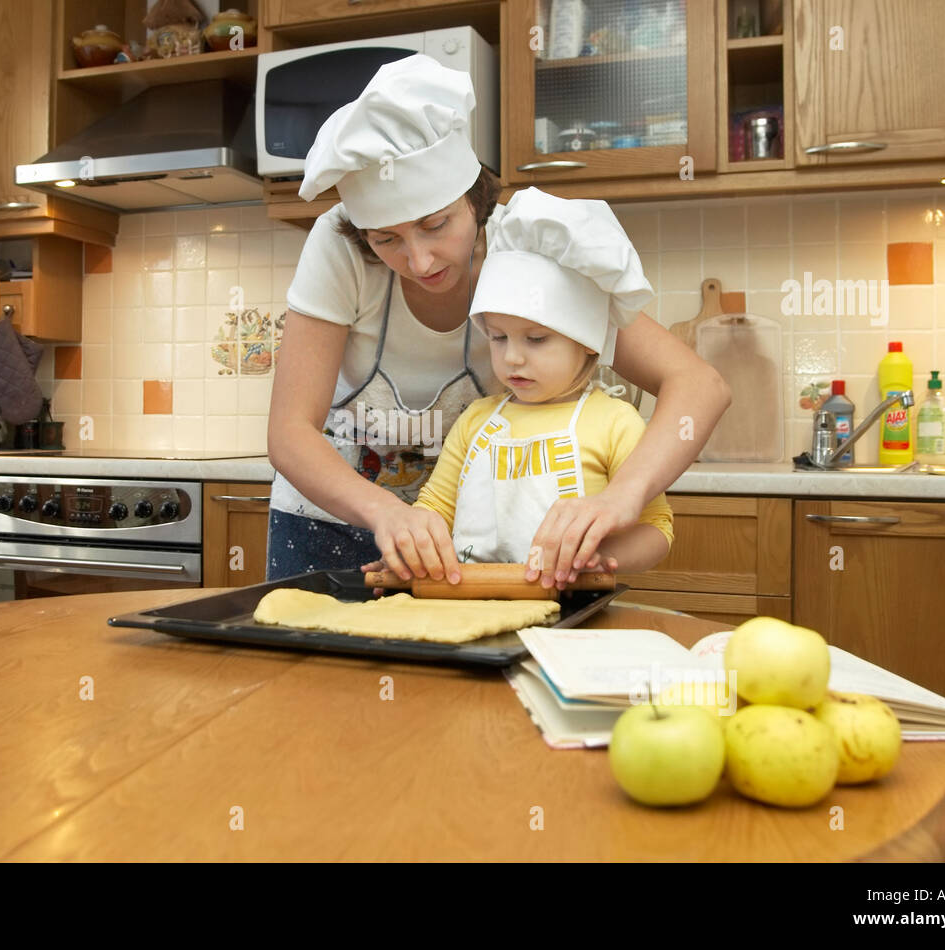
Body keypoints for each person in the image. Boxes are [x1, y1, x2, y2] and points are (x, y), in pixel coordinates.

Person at [267, 55, 730, 589]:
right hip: (327, 520)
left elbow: (700, 385)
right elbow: (289, 432)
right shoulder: (336, 247)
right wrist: (386, 513)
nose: (419, 263)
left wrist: (621, 498)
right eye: (386, 240)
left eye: (436, 225)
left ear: (475, 200)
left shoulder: (527, 252)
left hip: (477, 551)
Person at [412, 187, 674, 578]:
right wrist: (413, 546)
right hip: (468, 604)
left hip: (572, 612)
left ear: (586, 342)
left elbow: (657, 527)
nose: (513, 357)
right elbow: (434, 508)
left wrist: (600, 563)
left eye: (536, 339)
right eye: (498, 337)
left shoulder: (615, 422)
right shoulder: (475, 421)